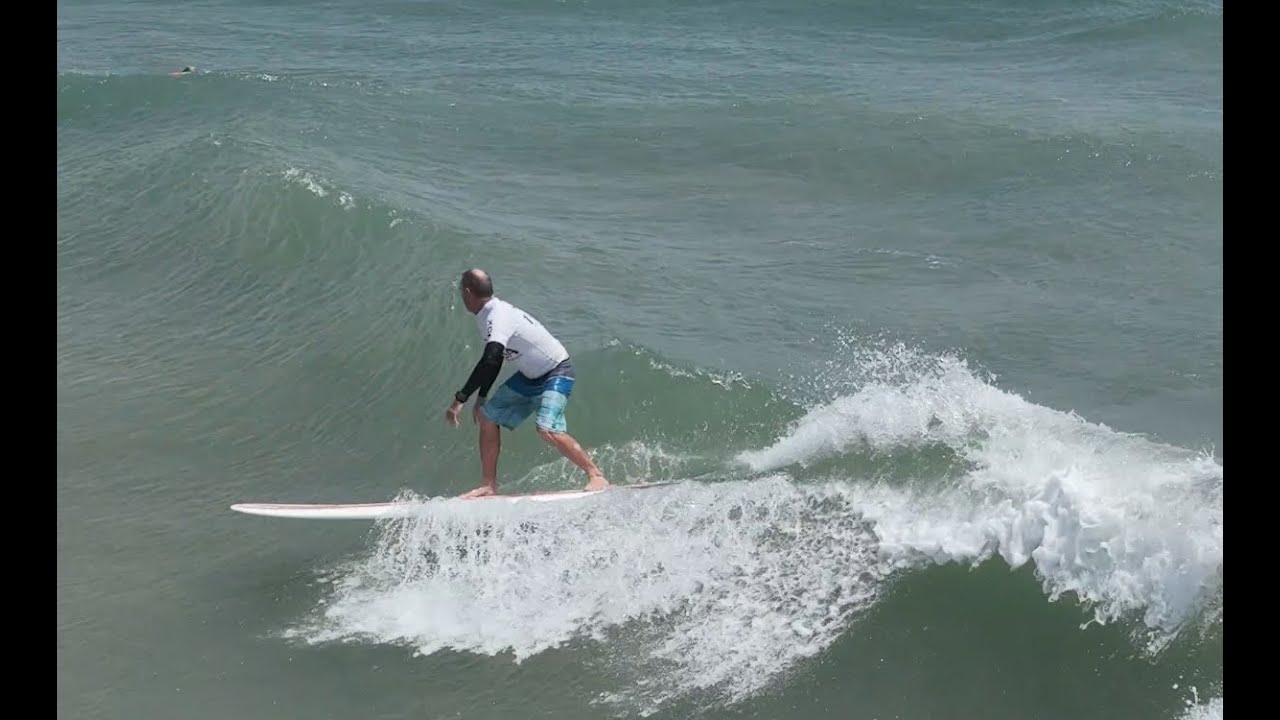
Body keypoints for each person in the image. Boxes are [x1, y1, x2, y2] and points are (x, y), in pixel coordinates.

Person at [445, 268, 610, 498]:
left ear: (467, 292)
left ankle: (596, 475)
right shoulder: (486, 315)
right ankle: (488, 485)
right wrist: (481, 397)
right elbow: (495, 360)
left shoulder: (497, 316)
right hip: (529, 377)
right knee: (487, 416)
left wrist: (460, 398)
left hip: (556, 371)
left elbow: (491, 357)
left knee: (547, 429)